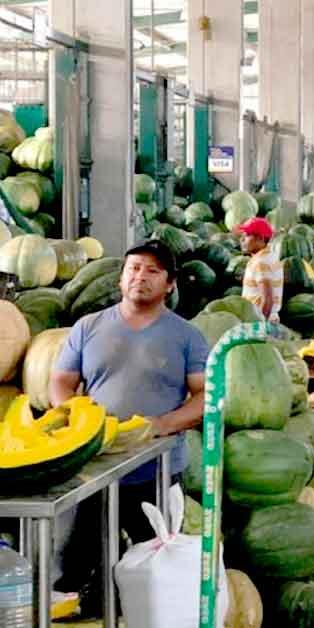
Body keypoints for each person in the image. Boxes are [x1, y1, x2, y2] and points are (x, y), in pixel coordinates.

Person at [51, 241, 208, 610]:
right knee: (78, 564)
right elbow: (60, 381)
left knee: (156, 565)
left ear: (169, 284)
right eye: (134, 268)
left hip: (157, 470)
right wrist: (75, 415)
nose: (141, 277)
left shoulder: (186, 335)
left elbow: (205, 396)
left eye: (153, 271)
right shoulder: (89, 326)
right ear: (121, 277)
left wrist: (164, 424)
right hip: (95, 469)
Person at [237, 217, 283, 322]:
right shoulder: (270, 256)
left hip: (260, 319)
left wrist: (260, 325)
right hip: (269, 317)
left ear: (261, 238)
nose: (242, 239)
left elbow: (267, 300)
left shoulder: (261, 262)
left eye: (248, 235)